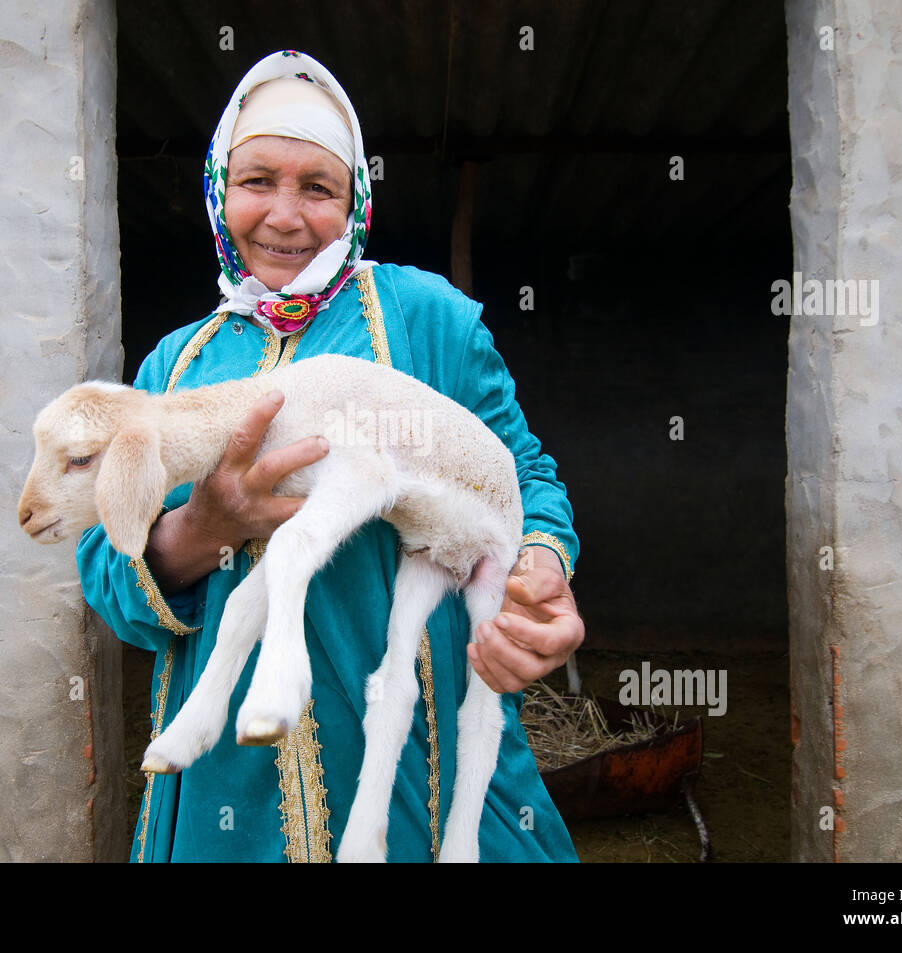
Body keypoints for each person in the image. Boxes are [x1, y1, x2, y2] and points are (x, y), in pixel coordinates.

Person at [77, 50, 584, 862]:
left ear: (355, 199)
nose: (285, 215)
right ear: (216, 187)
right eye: (255, 181)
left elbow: (527, 478)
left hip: (419, 761)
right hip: (224, 798)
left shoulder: (430, 322)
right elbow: (107, 571)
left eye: (318, 187)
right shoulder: (174, 367)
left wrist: (539, 572)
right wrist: (202, 525)